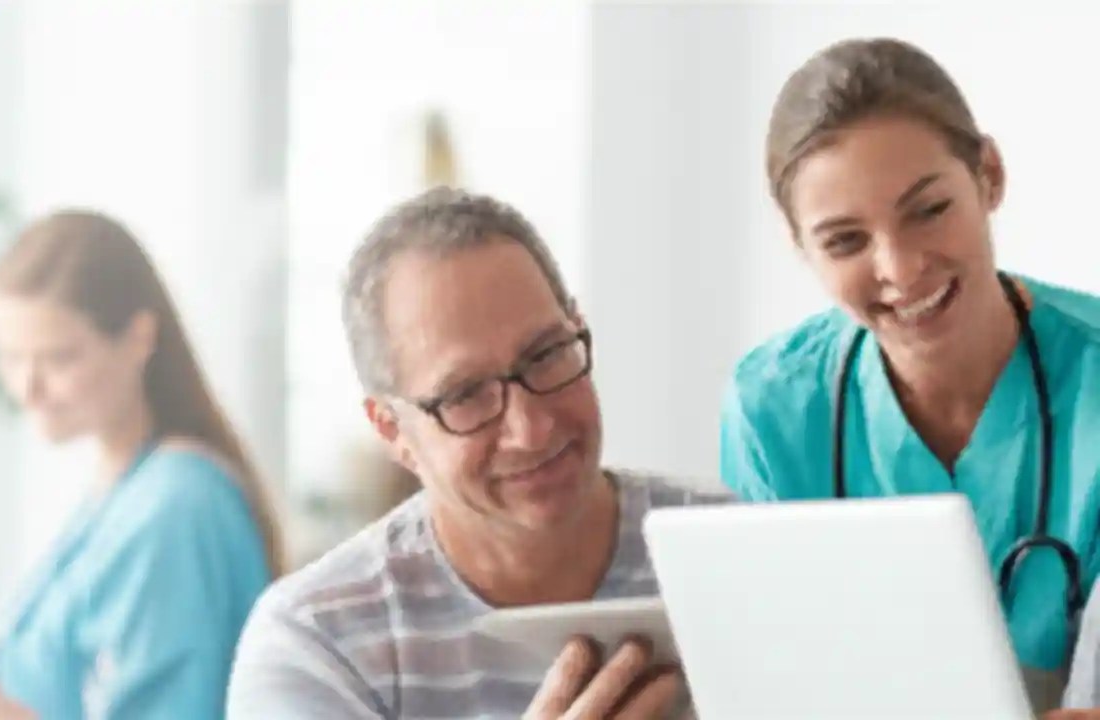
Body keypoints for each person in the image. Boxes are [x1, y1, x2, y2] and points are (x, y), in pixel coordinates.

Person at [226, 187, 730, 718]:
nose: (530, 429)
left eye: (546, 355)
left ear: (577, 329)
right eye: (465, 395)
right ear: (392, 430)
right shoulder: (318, 643)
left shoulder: (733, 551)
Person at [718, 37, 1100, 713]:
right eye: (845, 240)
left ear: (989, 175)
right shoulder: (772, 409)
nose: (899, 268)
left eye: (928, 210)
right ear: (799, 244)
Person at [0, 210, 282, 719]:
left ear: (138, 339)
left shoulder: (175, 508)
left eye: (58, 359)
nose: (28, 390)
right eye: (11, 359)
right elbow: (55, 683)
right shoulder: (119, 491)